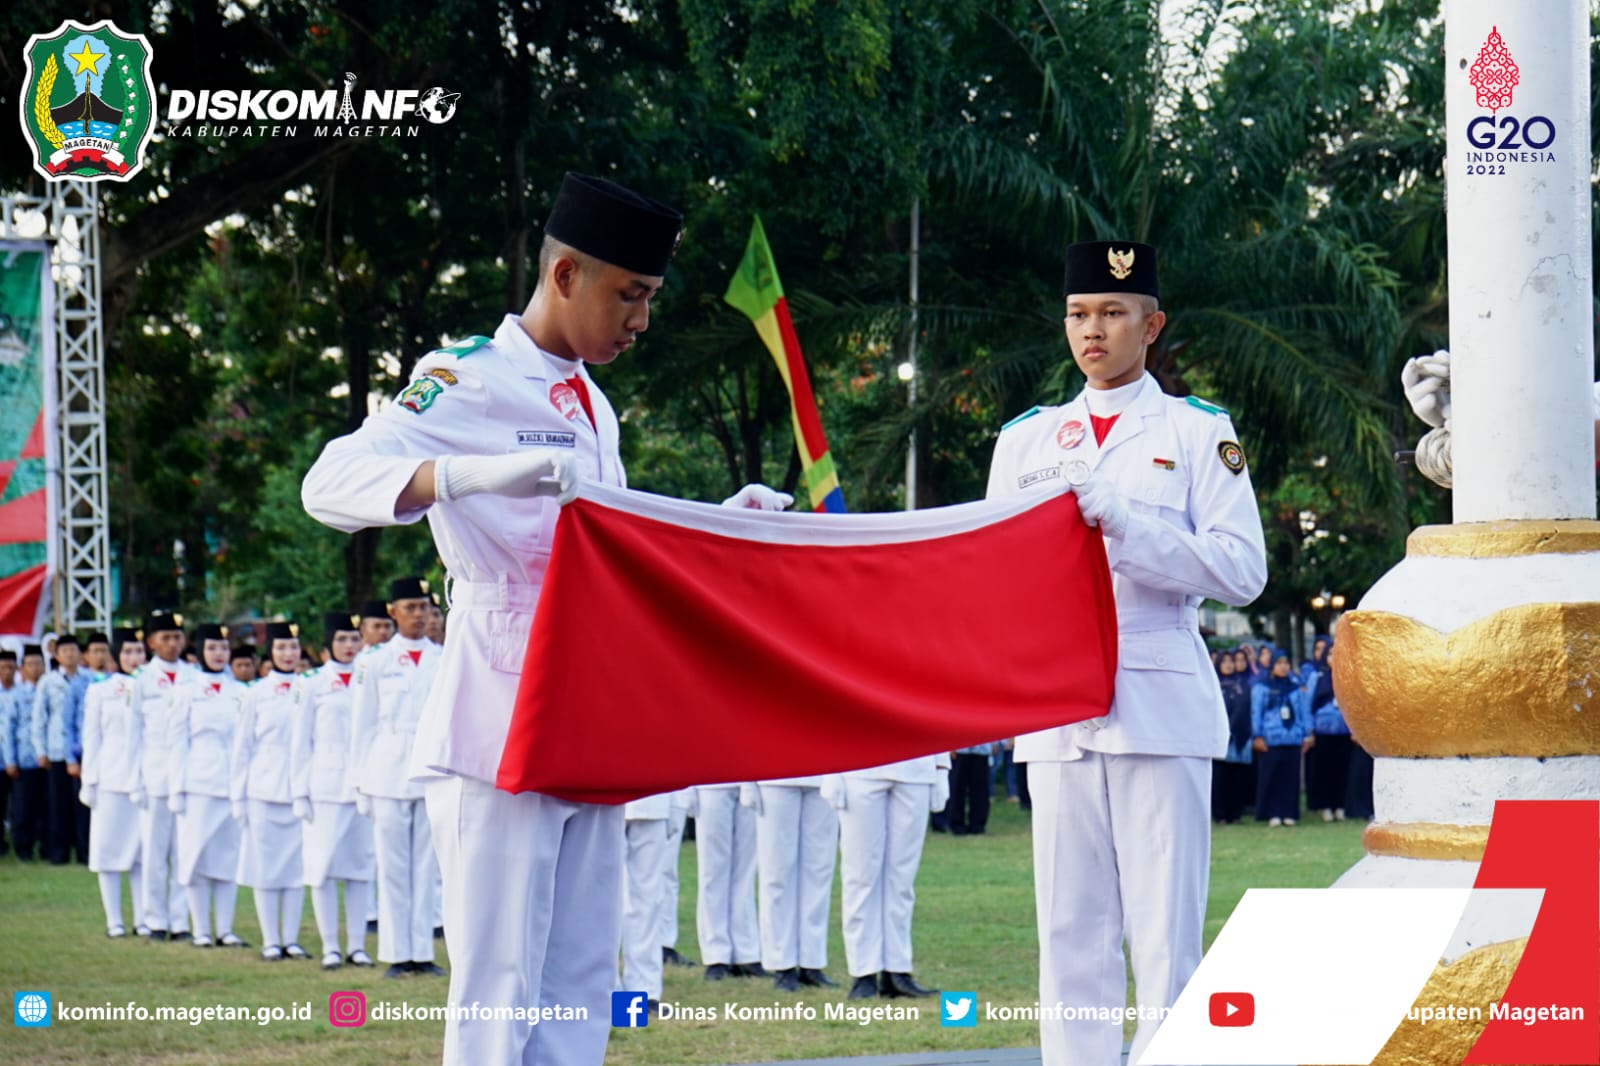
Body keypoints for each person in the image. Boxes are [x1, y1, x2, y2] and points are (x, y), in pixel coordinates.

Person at [302, 171, 787, 1064]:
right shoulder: (467, 380)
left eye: (650, 297)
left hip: (587, 706)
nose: (642, 319)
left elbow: (611, 548)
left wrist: (721, 521)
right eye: (630, 294)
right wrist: (466, 476)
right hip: (498, 710)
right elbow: (328, 484)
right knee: (499, 986)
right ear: (565, 275)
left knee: (578, 983)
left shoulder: (593, 402)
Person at [984, 241, 1267, 1065]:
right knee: (1069, 933)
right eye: (1079, 313)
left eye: (1113, 312)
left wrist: (1130, 527)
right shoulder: (1028, 441)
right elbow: (993, 573)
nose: (1093, 330)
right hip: (1057, 700)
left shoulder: (1196, 431)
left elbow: (1243, 570)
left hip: (1157, 691)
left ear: (1151, 324)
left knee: (1164, 934)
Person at [347, 578, 443, 979]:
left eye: (423, 607)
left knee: (426, 867)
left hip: (430, 770)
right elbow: (363, 724)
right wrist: (359, 782)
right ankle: (397, 952)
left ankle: (422, 951)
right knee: (392, 867)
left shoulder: (444, 658)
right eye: (410, 607)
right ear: (393, 611)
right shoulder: (374, 662)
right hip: (386, 770)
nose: (418, 615)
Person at [293, 611, 377, 970]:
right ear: (328, 645)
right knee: (322, 868)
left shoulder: (369, 676)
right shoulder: (312, 683)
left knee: (360, 867)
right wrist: (299, 790)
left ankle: (357, 946)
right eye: (341, 639)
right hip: (324, 786)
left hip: (362, 785)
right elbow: (300, 741)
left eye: (354, 639)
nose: (348, 646)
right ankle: (330, 945)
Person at [829, 752, 948, 1000]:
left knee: (902, 879)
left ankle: (898, 968)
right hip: (859, 764)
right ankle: (863, 971)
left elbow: (945, 723)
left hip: (916, 765)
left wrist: (941, 767)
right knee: (860, 876)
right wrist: (830, 767)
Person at [167, 623, 249, 948]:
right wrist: (177, 788)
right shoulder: (186, 691)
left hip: (231, 781)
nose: (219, 654)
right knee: (195, 857)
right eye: (212, 647)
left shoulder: (241, 692)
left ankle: (225, 929)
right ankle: (200, 928)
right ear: (200, 651)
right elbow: (176, 742)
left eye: (223, 648)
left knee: (228, 856)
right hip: (198, 782)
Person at [232, 621, 308, 960]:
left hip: (299, 788)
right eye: (281, 648)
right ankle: (270, 939)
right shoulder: (256, 693)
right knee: (265, 867)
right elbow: (242, 748)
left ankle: (291, 939)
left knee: (296, 869)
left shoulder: (309, 687)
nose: (287, 654)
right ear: (270, 653)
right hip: (263, 788)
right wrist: (238, 797)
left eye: (292, 647)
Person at [80, 631, 148, 935]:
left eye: (139, 652)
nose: (135, 658)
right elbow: (92, 738)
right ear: (116, 656)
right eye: (128, 652)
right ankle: (114, 920)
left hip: (144, 780)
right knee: (107, 851)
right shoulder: (101, 691)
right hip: (110, 777)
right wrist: (89, 780)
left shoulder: (154, 690)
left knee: (141, 854)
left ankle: (143, 919)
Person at [133, 612, 195, 939]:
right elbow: (133, 735)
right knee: (154, 852)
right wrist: (135, 781)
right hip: (154, 773)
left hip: (187, 776)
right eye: (165, 638)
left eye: (176, 637)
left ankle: (181, 920)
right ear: (151, 642)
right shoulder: (141, 679)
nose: (172, 644)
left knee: (184, 851)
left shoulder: (194, 677)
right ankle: (155, 919)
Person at [747, 774, 839, 991]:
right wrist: (747, 781)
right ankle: (781, 964)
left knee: (818, 872)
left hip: (823, 774)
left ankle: (812, 961)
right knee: (776, 873)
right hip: (775, 774)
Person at [34, 633, 93, 864]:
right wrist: (41, 750)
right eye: (64, 651)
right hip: (56, 750)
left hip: (84, 749)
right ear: (56, 655)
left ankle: (84, 851)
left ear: (80, 654)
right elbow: (39, 718)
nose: (69, 654)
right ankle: (59, 852)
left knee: (83, 803)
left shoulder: (89, 679)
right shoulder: (48, 682)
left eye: (73, 650)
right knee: (58, 804)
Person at [620, 791, 674, 1009]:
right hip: (603, 799)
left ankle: (642, 993)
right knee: (603, 902)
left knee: (649, 901)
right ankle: (604, 990)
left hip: (654, 798)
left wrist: (675, 807)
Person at [1251, 652, 1312, 826]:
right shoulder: (1262, 687)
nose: (1283, 667)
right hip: (1271, 738)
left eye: (1286, 663)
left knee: (1290, 777)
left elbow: (1303, 712)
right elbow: (1256, 712)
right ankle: (1273, 813)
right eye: (1279, 663)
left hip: (1293, 737)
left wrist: (1307, 734)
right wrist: (1257, 735)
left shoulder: (1296, 688)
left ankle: (1289, 813)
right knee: (1272, 776)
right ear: (1272, 666)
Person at [4, 645, 50, 861]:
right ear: (22, 669)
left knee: (47, 807)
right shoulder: (16, 695)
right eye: (30, 664)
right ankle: (23, 848)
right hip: (25, 758)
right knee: (23, 808)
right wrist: (10, 760)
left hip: (49, 759)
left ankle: (47, 847)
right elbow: (8, 730)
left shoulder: (51, 691)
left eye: (39, 664)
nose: (35, 668)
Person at [1306, 642, 1351, 822]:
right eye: (1331, 654)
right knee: (1323, 770)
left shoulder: (1348, 676)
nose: (1334, 657)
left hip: (1343, 730)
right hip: (1322, 730)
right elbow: (1308, 704)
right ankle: (1325, 806)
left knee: (1342, 769)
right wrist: (1309, 730)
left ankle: (1339, 805)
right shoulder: (1317, 677)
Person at [1211, 650, 1253, 824]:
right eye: (1225, 661)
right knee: (1220, 778)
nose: (1228, 665)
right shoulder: (1213, 684)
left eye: (1231, 661)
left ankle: (1235, 814)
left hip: (1239, 737)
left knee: (1237, 778)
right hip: (1218, 735)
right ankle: (1220, 814)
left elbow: (1246, 709)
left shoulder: (1242, 684)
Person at [943, 740, 996, 835]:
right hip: (959, 749)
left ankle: (978, 825)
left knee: (980, 790)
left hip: (982, 748)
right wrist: (950, 746)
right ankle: (956, 825)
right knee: (957, 788)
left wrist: (994, 742)